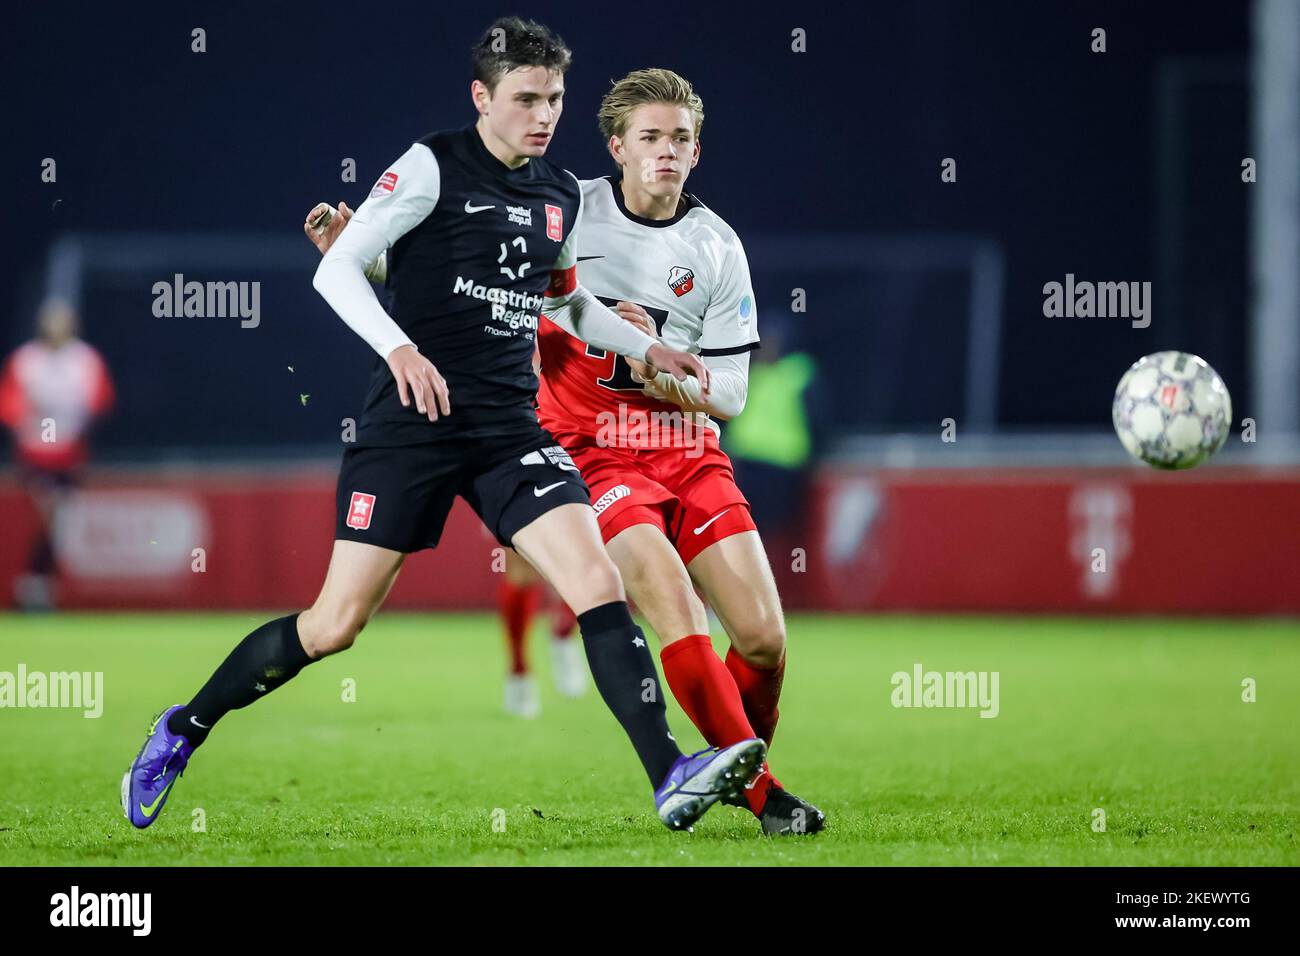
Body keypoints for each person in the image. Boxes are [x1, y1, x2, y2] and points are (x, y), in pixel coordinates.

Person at [122, 17, 764, 835]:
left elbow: (565, 300)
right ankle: (183, 728)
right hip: (411, 430)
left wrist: (650, 349)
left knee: (598, 584)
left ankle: (669, 771)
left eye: (555, 99)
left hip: (508, 430)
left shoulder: (558, 194)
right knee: (334, 626)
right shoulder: (432, 165)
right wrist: (398, 348)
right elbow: (339, 269)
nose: (542, 115)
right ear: (481, 97)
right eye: (525, 98)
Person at [310, 67, 824, 835]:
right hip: (591, 452)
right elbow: (469, 280)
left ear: (698, 152)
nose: (666, 153)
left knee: (763, 640)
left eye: (681, 139)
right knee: (678, 613)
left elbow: (734, 395)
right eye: (649, 138)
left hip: (689, 450)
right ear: (616, 146)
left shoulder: (716, 246)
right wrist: (370, 254)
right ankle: (766, 798)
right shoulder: (561, 206)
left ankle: (737, 769)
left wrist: (656, 356)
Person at [0, 298, 114, 611]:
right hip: (35, 455)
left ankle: (38, 585)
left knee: (60, 520)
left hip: (69, 456)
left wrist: (76, 434)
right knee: (49, 514)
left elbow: (99, 403)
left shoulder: (85, 360)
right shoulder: (26, 360)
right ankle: (34, 586)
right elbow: (10, 406)